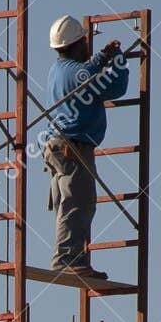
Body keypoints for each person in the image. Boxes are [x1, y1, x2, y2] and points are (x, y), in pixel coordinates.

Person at [41, 14, 129, 284]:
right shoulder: (79, 73)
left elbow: (87, 71)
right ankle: (66, 259)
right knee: (78, 204)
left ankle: (70, 257)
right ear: (78, 44)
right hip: (73, 146)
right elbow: (115, 87)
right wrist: (119, 62)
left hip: (57, 146)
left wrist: (102, 57)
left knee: (69, 203)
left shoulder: (60, 70)